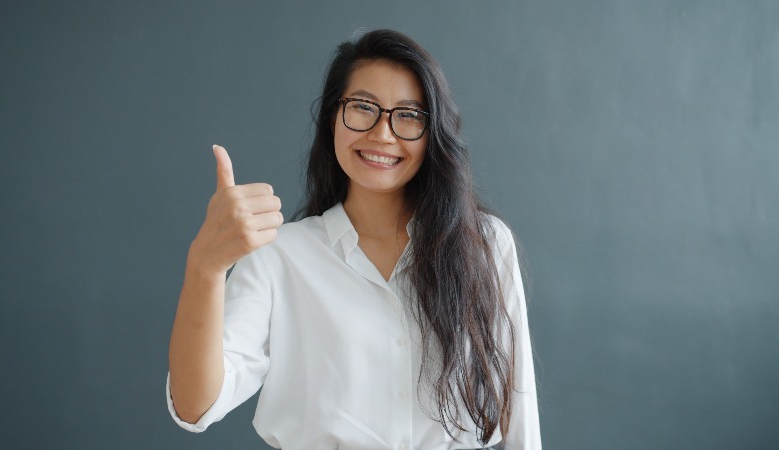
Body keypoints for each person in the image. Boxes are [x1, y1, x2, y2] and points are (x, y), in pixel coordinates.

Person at [167, 29, 541, 450]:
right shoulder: (278, 257)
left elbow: (518, 415)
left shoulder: (486, 245)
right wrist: (205, 266)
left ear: (433, 132)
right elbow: (195, 406)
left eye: (409, 115)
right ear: (332, 118)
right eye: (363, 107)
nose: (383, 133)